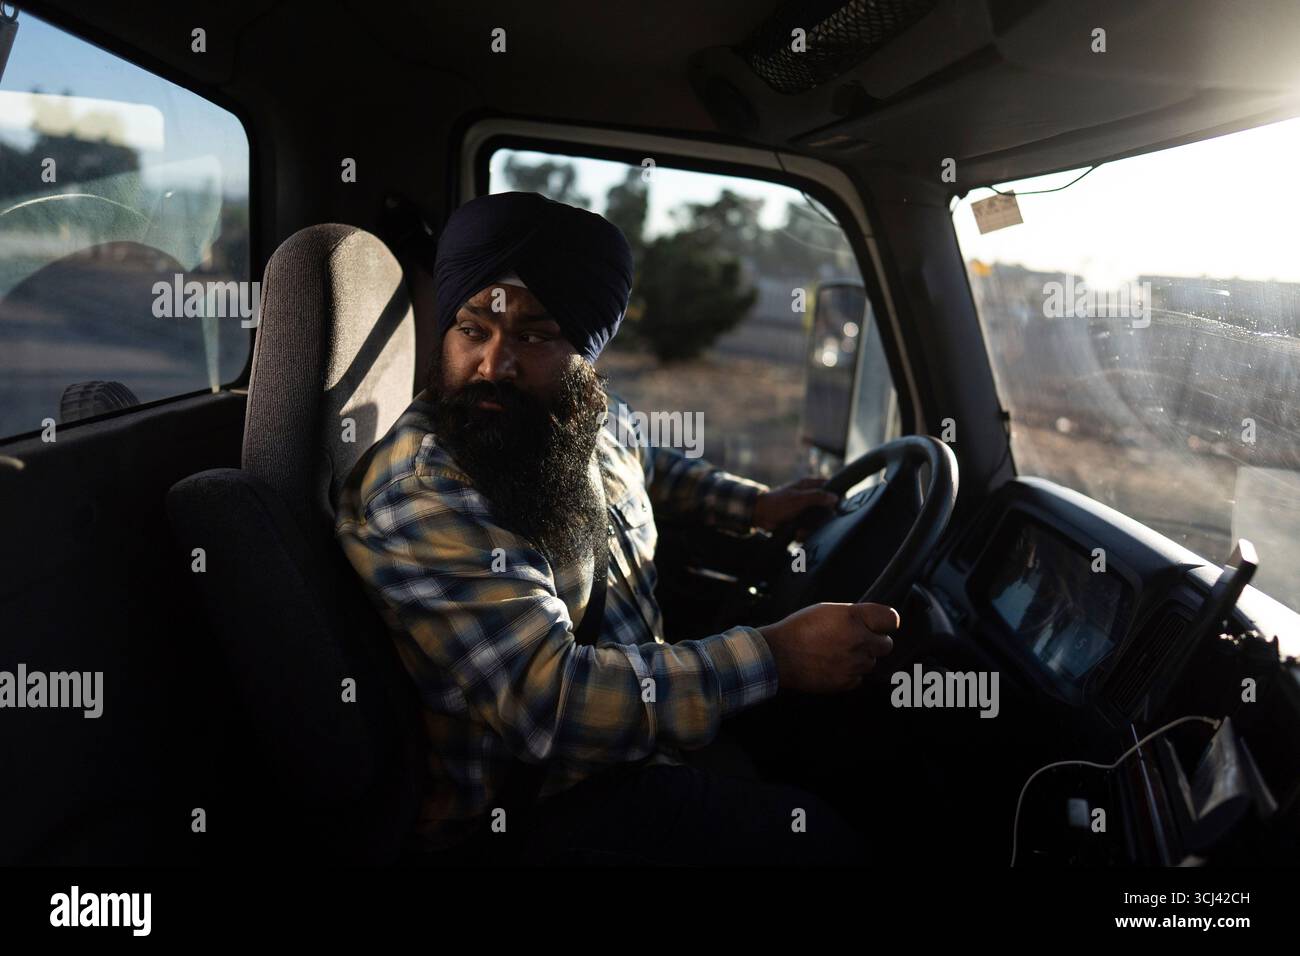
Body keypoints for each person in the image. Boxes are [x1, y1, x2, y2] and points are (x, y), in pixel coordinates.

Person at [335, 191, 899, 865]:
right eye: (471, 329)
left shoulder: (570, 416)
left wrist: (753, 505)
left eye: (536, 336)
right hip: (542, 811)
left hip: (638, 745)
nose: (494, 365)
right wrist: (777, 655)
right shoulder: (428, 491)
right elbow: (553, 703)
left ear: (587, 353)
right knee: (820, 842)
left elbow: (645, 459)